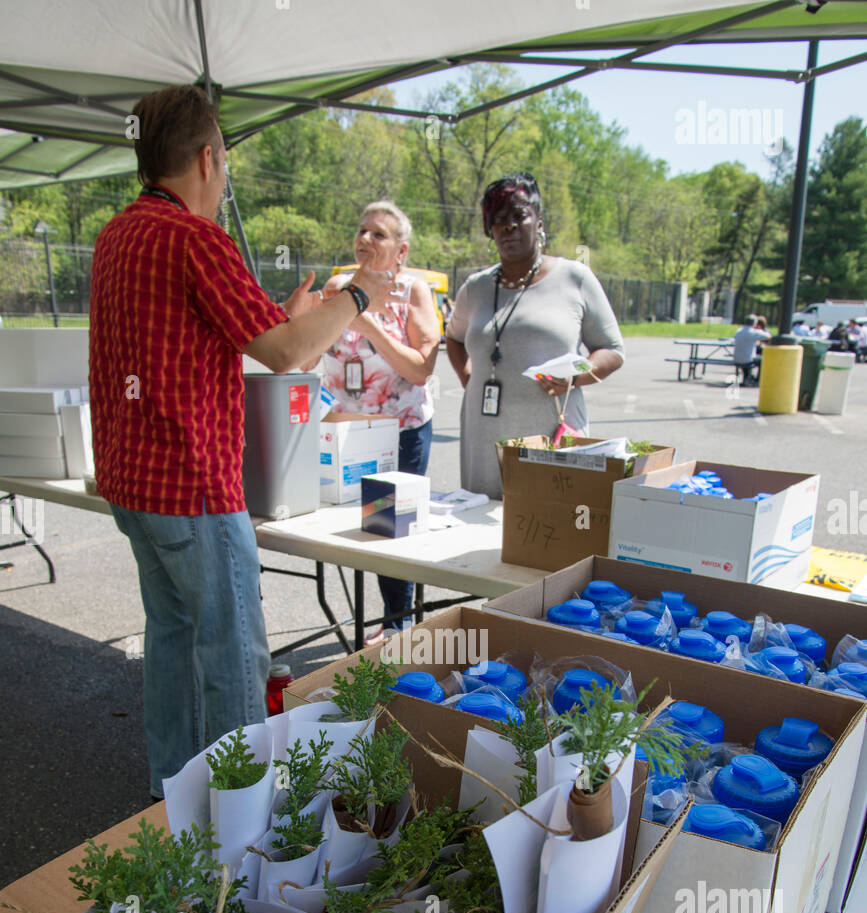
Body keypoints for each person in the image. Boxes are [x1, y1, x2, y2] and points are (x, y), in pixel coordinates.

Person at [89, 85, 394, 798]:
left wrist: (283, 317)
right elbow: (287, 354)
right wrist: (357, 298)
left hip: (134, 486)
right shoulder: (196, 237)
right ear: (207, 157)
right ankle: (238, 819)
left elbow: (237, 333)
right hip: (191, 489)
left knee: (170, 644)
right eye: (223, 163)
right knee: (232, 659)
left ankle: (173, 801)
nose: (223, 179)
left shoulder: (118, 233)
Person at [444, 173, 623, 499]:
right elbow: (453, 338)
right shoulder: (476, 287)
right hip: (484, 435)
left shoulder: (574, 278)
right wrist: (468, 376)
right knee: (477, 529)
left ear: (538, 222)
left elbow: (611, 350)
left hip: (549, 431)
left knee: (547, 524)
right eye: (498, 220)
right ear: (489, 230)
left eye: (519, 216)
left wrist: (575, 379)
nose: (509, 227)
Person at [310, 201, 440, 635]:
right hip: (347, 436)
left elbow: (421, 368)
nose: (365, 239)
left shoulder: (413, 291)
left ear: (401, 251)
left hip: (400, 433)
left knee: (390, 529)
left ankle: (397, 625)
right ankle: (372, 619)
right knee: (351, 528)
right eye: (362, 230)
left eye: (378, 234)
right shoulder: (337, 287)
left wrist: (370, 327)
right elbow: (310, 353)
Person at [732, 314, 770, 385]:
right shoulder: (753, 332)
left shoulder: (738, 331)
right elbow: (768, 336)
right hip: (747, 359)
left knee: (746, 355)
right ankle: (758, 380)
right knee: (763, 360)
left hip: (736, 358)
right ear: (754, 323)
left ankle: (747, 378)